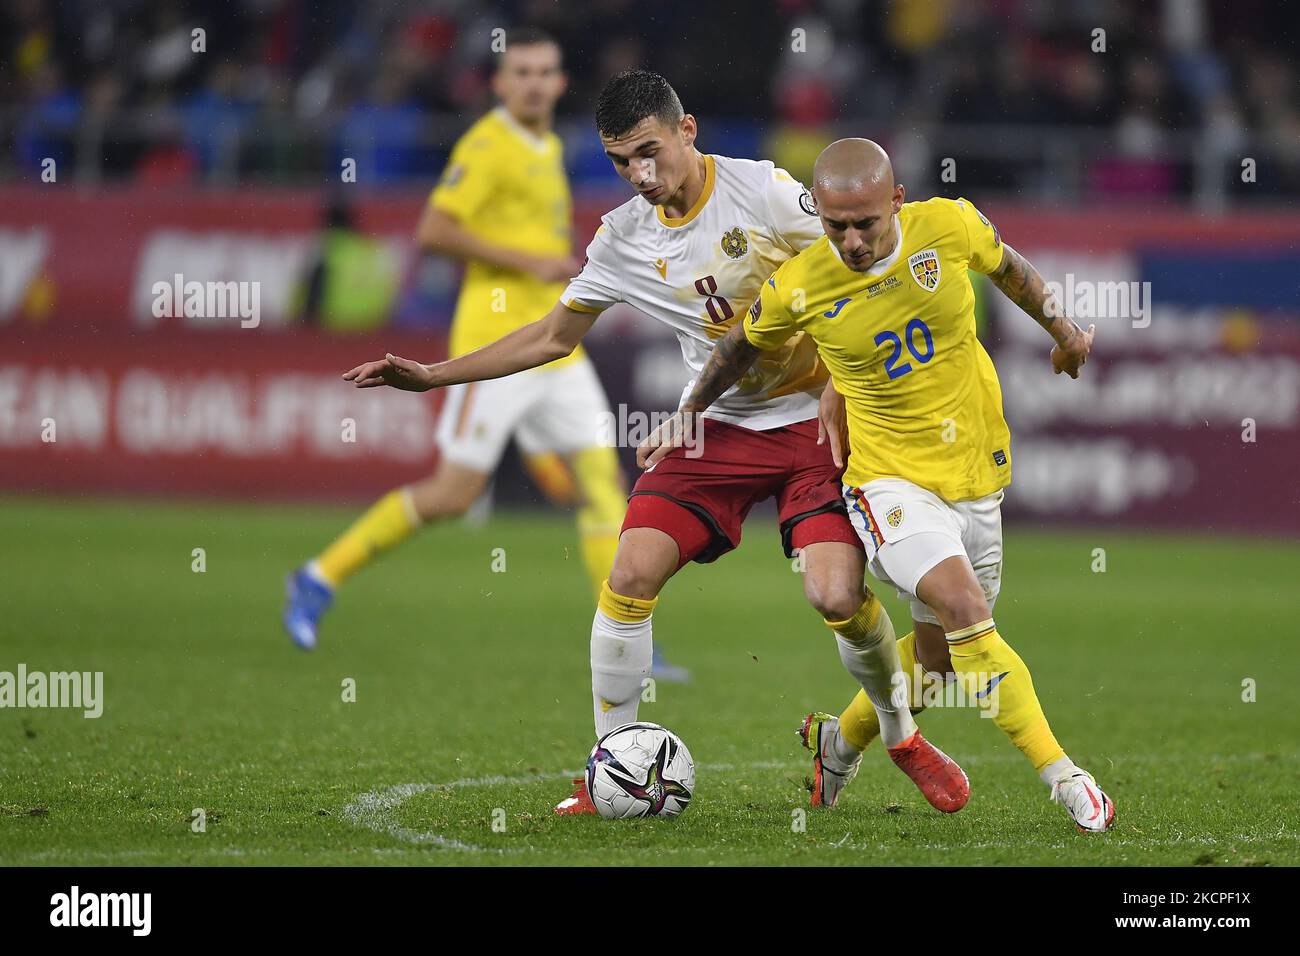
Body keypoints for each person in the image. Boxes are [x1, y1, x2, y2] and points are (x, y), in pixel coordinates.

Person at [342, 72, 970, 817]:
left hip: (813, 422)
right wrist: (435, 376)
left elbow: (861, 269)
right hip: (714, 427)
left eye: (649, 151)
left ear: (687, 132)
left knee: (834, 591)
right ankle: (607, 768)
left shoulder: (763, 194)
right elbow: (551, 335)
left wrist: (843, 379)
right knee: (630, 572)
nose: (639, 174)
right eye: (620, 161)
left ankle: (898, 737)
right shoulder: (621, 241)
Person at [643, 137, 1115, 832]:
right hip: (887, 482)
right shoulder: (804, 282)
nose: (853, 240)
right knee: (962, 608)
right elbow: (739, 344)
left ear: (897, 201)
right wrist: (687, 413)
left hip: (977, 476)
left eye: (867, 222)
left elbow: (1010, 269)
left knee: (938, 661)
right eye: (836, 226)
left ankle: (843, 741)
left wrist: (1065, 331)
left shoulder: (947, 227)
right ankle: (1067, 780)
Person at [282, 29, 678, 675]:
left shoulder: (548, 145)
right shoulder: (487, 144)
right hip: (493, 347)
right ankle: (318, 576)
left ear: (557, 83)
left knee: (604, 484)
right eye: (520, 71)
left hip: (554, 343)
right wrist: (529, 259)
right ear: (498, 83)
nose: (533, 82)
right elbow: (434, 230)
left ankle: (629, 639)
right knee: (452, 495)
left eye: (544, 72)